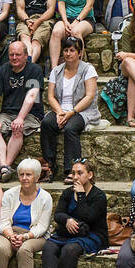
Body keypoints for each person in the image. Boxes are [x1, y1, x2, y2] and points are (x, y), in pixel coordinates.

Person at [37, 157, 108, 268]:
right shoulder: (68, 193)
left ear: (90, 175)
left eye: (80, 173)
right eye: (73, 173)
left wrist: (81, 196)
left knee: (70, 249)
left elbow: (88, 217)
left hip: (92, 235)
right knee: (49, 246)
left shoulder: (99, 196)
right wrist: (68, 220)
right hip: (67, 233)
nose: (75, 177)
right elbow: (58, 214)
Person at [0, 41, 45, 183]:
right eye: (11, 54)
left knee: (17, 128)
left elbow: (32, 96)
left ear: (26, 56)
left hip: (31, 114)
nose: (14, 57)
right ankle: (5, 167)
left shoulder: (35, 70)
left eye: (18, 54)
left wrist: (20, 118)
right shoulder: (2, 71)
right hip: (7, 112)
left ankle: (4, 168)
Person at [42, 35, 99, 180]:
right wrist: (60, 112)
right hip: (60, 109)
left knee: (70, 128)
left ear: (79, 53)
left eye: (72, 50)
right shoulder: (56, 71)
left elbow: (89, 96)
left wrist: (71, 113)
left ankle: (71, 170)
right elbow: (50, 96)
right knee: (47, 124)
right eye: (66, 50)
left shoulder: (88, 69)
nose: (68, 53)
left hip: (82, 110)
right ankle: (49, 166)